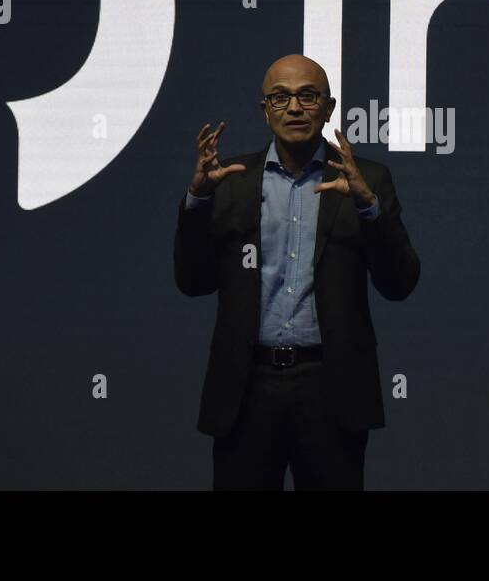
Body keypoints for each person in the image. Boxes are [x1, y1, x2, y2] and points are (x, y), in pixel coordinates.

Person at [174, 54, 421, 490]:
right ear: (264, 108)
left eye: (308, 96)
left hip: (331, 389)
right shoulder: (229, 181)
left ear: (328, 108)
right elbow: (193, 283)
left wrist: (368, 208)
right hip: (246, 390)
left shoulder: (368, 180)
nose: (294, 108)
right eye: (280, 97)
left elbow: (400, 283)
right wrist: (197, 200)